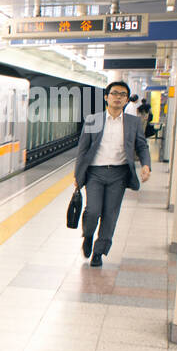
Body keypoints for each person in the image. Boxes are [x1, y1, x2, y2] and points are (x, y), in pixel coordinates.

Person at [74, 81, 151, 266]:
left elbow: (142, 145)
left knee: (110, 215)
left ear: (126, 99)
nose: (118, 97)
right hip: (95, 173)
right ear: (106, 97)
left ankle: (99, 252)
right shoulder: (93, 120)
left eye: (123, 94)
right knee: (92, 211)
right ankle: (88, 235)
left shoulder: (133, 122)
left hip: (119, 174)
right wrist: (78, 176)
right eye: (114, 93)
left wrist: (146, 165)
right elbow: (82, 150)